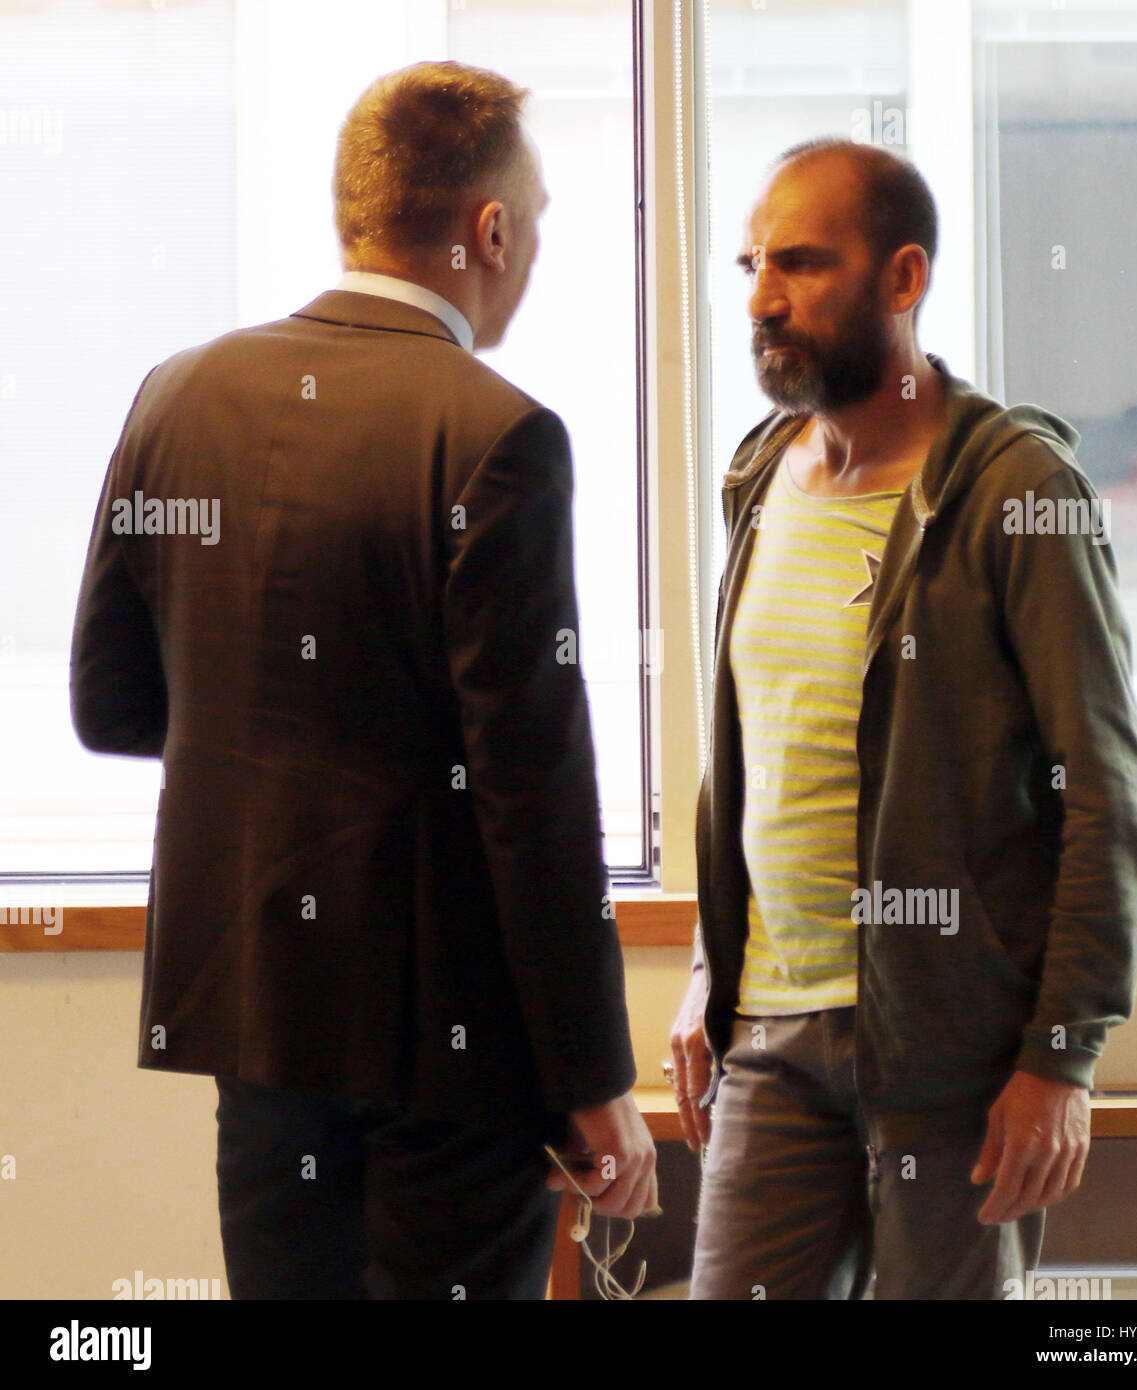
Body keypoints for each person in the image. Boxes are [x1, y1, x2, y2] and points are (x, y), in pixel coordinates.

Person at [69, 60, 656, 1301]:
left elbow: (110, 704)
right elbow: (532, 791)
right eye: (536, 221)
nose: (533, 248)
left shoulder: (176, 396)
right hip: (447, 1045)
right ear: (488, 230)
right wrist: (596, 1081)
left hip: (255, 1018)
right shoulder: (499, 434)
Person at [668, 137, 1137, 1300]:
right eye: (751, 265)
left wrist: (1061, 1059)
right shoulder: (758, 479)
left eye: (800, 263)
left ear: (903, 278)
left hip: (950, 1052)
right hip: (773, 1038)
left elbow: (1106, 790)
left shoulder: (1014, 494)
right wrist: (709, 961)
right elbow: (759, 756)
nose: (763, 298)